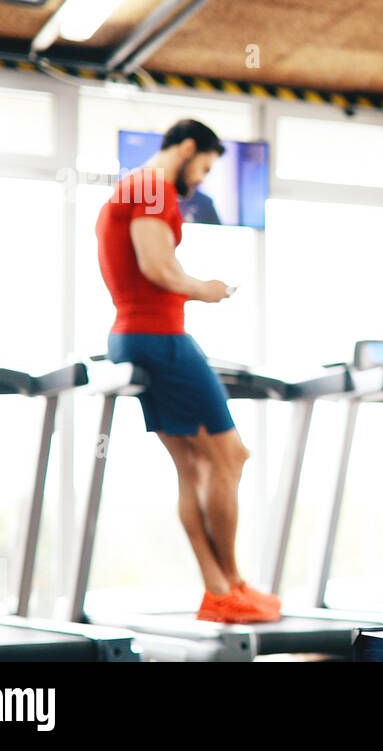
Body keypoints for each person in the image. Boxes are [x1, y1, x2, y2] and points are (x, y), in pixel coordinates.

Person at [96, 119, 281, 624]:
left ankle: (219, 590)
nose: (199, 180)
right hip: (160, 338)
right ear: (185, 148)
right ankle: (232, 583)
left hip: (135, 336)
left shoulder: (131, 188)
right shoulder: (152, 187)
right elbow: (156, 265)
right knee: (231, 456)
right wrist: (209, 288)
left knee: (194, 466)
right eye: (202, 166)